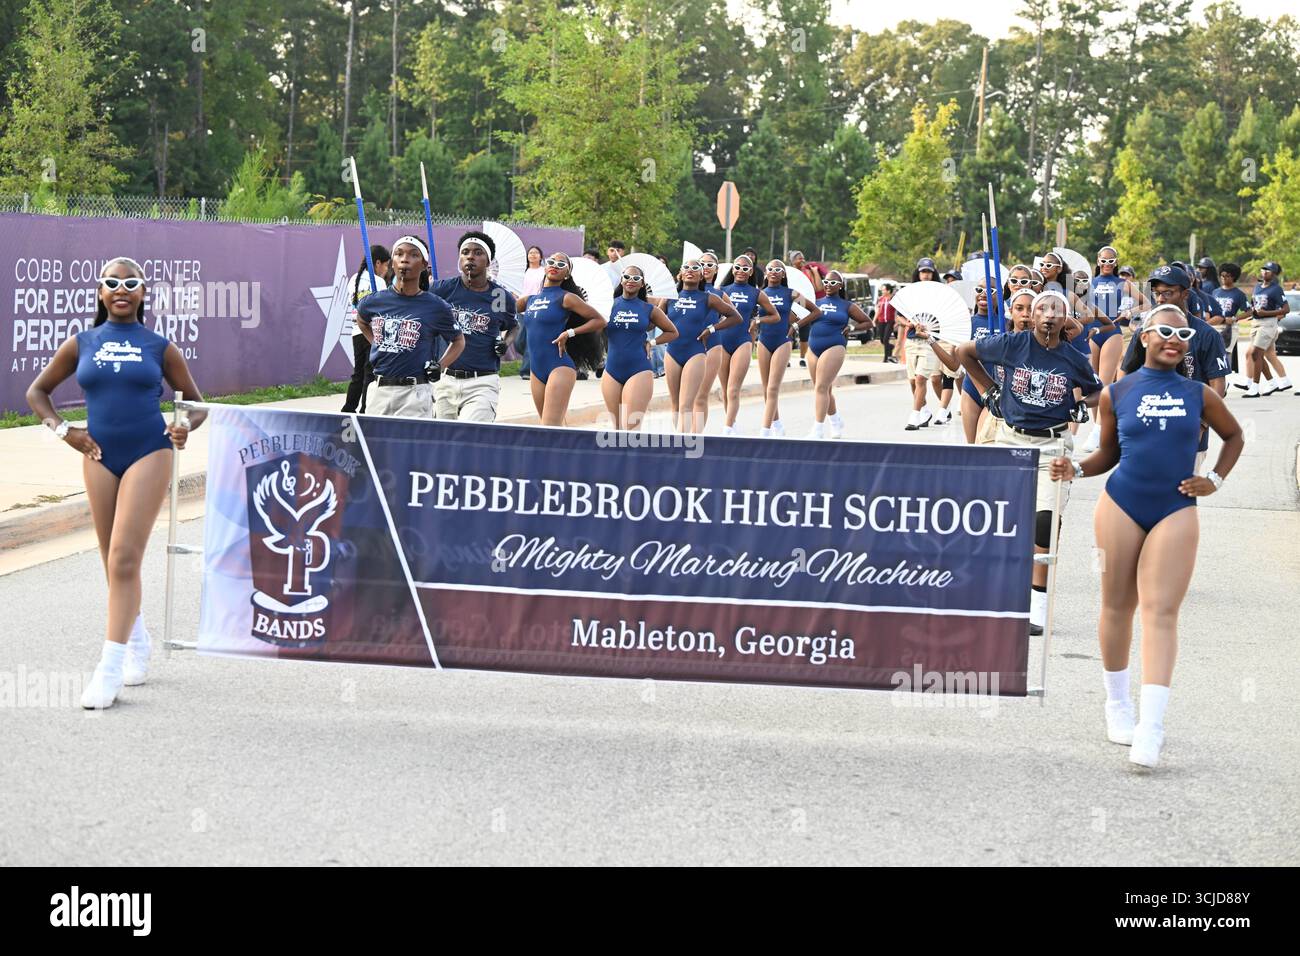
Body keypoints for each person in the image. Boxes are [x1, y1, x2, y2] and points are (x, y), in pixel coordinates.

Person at [1048, 305, 1244, 768]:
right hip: (1120, 505)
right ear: (1144, 336)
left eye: (1182, 333)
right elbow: (1107, 454)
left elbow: (1234, 437)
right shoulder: (1117, 392)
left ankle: (1152, 727)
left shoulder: (1199, 394)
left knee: (1161, 612)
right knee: (1117, 605)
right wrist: (1075, 468)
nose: (1174, 339)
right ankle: (1117, 705)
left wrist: (1214, 479)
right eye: (1164, 331)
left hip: (1176, 507)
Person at [26, 257, 205, 709]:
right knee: (111, 561)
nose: (121, 288)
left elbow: (198, 406)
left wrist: (184, 425)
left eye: (130, 282)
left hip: (150, 450)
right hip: (98, 455)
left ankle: (109, 668)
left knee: (125, 557)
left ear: (143, 293)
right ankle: (137, 637)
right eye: (112, 282)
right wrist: (65, 431)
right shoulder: (81, 343)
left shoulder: (160, 347)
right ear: (101, 293)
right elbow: (37, 393)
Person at [956, 291, 1103, 636]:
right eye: (1042, 309)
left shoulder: (1072, 357)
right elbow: (964, 353)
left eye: (1057, 310)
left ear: (1065, 319)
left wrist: (1082, 407)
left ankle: (1037, 609)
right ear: (1032, 316)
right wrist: (989, 389)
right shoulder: (1012, 344)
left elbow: (1098, 389)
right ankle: (998, 596)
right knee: (1004, 522)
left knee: (1044, 525)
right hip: (1011, 440)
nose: (1049, 315)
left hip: (1052, 445)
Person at [1119, 265, 1228, 470]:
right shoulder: (1145, 332)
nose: (1160, 299)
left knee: (1179, 497)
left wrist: (1202, 424)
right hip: (1147, 428)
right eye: (1157, 293)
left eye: (1167, 293)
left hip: (1187, 431)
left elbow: (1218, 385)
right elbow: (1125, 375)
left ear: (1185, 294)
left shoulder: (1206, 335)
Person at [354, 237, 463, 418]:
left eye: (413, 255)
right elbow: (361, 320)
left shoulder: (436, 306)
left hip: (415, 393)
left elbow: (458, 340)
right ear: (392, 263)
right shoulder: (374, 301)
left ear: (423, 265)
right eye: (399, 254)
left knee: (410, 447)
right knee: (376, 447)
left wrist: (440, 366)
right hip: (379, 391)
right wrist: (376, 342)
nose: (404, 259)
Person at [429, 231, 518, 422]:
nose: (470, 256)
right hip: (446, 379)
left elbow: (514, 326)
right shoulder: (443, 289)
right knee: (443, 441)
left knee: (470, 434)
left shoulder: (500, 296)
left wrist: (506, 342)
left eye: (478, 253)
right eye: (465, 252)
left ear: (488, 261)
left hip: (482, 382)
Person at [515, 251, 607, 426]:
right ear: (545, 267)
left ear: (567, 274)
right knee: (549, 426)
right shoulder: (530, 300)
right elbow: (502, 310)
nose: (555, 266)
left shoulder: (567, 298)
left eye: (561, 264)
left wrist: (569, 333)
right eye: (551, 262)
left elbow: (599, 321)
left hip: (559, 367)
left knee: (548, 427)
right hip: (536, 369)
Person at [661, 258, 741, 434]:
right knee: (676, 401)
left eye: (701, 266)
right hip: (674, 350)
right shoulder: (671, 296)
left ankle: (694, 438)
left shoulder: (715, 296)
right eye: (687, 267)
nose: (693, 269)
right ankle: (681, 438)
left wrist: (713, 328)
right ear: (680, 272)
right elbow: (655, 318)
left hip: (707, 346)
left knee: (699, 397)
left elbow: (734, 315)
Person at [797, 270, 870, 439]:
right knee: (824, 389)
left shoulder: (846, 305)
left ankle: (818, 429)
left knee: (821, 388)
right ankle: (836, 421)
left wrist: (852, 327)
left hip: (834, 346)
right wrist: (792, 295)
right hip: (813, 347)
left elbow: (868, 322)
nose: (828, 285)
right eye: (826, 282)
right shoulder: (816, 301)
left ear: (841, 286)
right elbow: (797, 302)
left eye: (833, 283)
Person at [602, 265, 677, 430]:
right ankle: (619, 457)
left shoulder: (648, 309)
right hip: (611, 370)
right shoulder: (608, 305)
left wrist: (652, 342)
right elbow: (594, 326)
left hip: (638, 370)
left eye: (636, 278)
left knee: (631, 428)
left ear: (642, 284)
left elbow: (672, 332)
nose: (631, 281)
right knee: (617, 429)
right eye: (627, 277)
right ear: (621, 280)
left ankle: (633, 456)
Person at [716, 254, 778, 435]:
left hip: (742, 341)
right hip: (722, 340)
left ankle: (727, 429)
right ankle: (732, 423)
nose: (741, 271)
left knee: (733, 389)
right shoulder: (722, 290)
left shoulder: (756, 293)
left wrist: (758, 320)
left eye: (745, 268)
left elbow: (775, 316)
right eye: (738, 267)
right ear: (733, 269)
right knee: (725, 388)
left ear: (751, 272)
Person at [757, 260, 821, 436]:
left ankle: (765, 430)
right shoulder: (760, 293)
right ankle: (777, 424)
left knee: (772, 388)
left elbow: (816, 311)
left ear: (783, 274)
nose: (774, 272)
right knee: (765, 388)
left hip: (783, 341)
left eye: (779, 270)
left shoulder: (791, 293)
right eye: (771, 269)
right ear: (766, 273)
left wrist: (796, 326)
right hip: (763, 341)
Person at [341, 245, 391, 414]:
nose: (386, 270)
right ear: (377, 263)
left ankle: (348, 408)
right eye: (386, 265)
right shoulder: (378, 282)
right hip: (372, 332)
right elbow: (385, 308)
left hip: (356, 331)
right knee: (370, 373)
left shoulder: (354, 279)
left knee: (358, 373)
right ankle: (365, 409)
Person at [902, 257, 947, 430]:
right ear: (918, 273)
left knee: (921, 378)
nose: (926, 275)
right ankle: (925, 410)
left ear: (933, 273)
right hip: (912, 340)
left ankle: (914, 417)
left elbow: (945, 315)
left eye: (929, 272)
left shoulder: (940, 293)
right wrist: (909, 323)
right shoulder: (910, 292)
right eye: (923, 272)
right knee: (913, 381)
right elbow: (900, 314)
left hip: (930, 341)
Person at [1242, 261, 1292, 397]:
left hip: (1268, 324)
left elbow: (1286, 309)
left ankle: (1255, 387)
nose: (1264, 272)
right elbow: (1255, 304)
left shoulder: (1276, 289)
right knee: (1262, 355)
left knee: (1255, 354)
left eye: (1268, 270)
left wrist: (1266, 313)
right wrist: (1253, 313)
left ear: (1274, 274)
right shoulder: (1257, 287)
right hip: (1256, 323)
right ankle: (1273, 382)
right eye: (1263, 269)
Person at [1212, 262, 1249, 381]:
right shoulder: (1215, 292)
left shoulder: (1238, 294)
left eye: (1227, 275)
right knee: (1213, 353)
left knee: (1226, 354)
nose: (1223, 278)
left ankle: (1224, 380)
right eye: (1222, 275)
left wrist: (1234, 318)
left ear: (1233, 277)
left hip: (1230, 328)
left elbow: (1249, 311)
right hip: (1216, 326)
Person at [515, 245, 546, 379]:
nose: (533, 255)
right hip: (521, 308)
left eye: (536, 253)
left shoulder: (544, 271)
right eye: (531, 253)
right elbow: (515, 287)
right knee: (518, 341)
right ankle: (532, 357)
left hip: (536, 308)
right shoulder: (523, 272)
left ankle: (526, 370)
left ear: (541, 256)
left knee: (529, 340)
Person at [789, 250, 824, 367]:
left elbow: (817, 288)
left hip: (803, 302)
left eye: (803, 258)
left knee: (805, 333)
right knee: (789, 332)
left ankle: (803, 358)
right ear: (793, 261)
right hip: (791, 302)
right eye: (799, 258)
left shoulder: (808, 272)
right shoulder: (789, 273)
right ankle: (786, 357)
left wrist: (815, 273)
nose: (802, 260)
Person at [875, 282, 897, 363]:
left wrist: (896, 322)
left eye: (883, 290)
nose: (882, 291)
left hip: (890, 321)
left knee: (885, 339)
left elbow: (896, 312)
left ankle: (886, 358)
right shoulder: (880, 299)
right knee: (882, 340)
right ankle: (890, 347)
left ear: (888, 291)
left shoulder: (893, 299)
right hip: (881, 321)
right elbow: (878, 311)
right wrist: (874, 320)